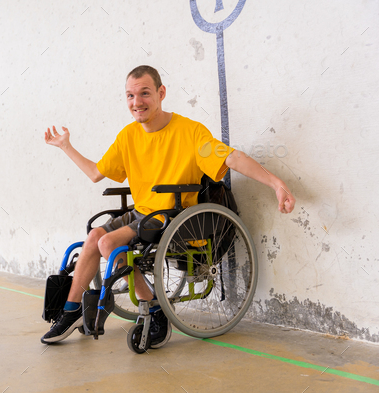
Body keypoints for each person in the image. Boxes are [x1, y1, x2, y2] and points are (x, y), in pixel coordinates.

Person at [41, 65, 296, 346]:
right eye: (130, 96)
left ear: (161, 93)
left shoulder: (190, 131)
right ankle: (71, 309)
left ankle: (154, 307)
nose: (137, 102)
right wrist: (66, 146)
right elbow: (95, 174)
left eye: (144, 93)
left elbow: (233, 158)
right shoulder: (128, 136)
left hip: (172, 215)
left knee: (108, 243)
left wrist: (275, 183)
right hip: (142, 213)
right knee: (94, 237)